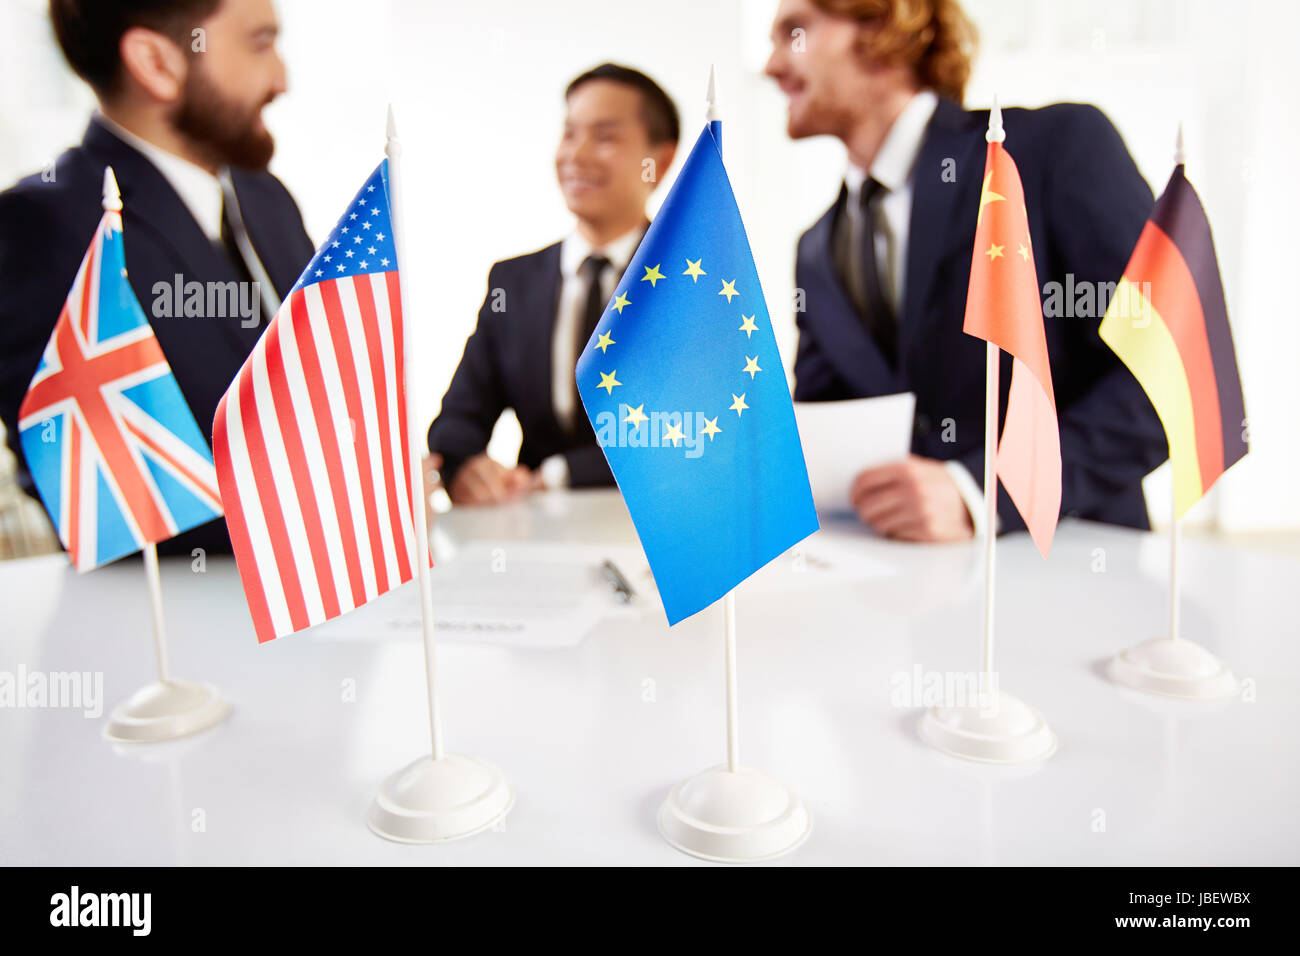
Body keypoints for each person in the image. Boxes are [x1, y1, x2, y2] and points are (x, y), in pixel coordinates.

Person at [765, 0, 1167, 541]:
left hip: (1075, 571)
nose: (771, 65)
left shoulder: (1053, 149)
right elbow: (829, 427)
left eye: (795, 31)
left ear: (882, 27)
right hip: (900, 590)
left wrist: (979, 491)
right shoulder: (816, 249)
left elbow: (1169, 376)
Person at [0, 0, 313, 556]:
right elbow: (102, 496)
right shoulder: (45, 228)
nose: (282, 79)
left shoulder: (268, 201)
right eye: (260, 43)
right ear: (157, 63)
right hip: (178, 625)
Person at [426, 63, 678, 505]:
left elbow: (687, 429)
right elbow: (458, 419)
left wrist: (557, 475)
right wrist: (466, 464)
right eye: (569, 133)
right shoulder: (513, 281)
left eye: (604, 138)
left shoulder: (690, 282)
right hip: (535, 536)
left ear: (657, 160)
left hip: (656, 531)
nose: (575, 156)